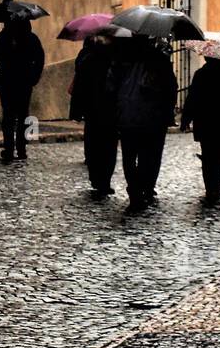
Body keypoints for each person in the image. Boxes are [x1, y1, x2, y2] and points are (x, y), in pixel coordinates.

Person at [108, 36, 177, 213]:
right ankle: (144, 187)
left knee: (129, 155)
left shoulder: (121, 57)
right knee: (149, 155)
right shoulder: (159, 58)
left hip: (126, 114)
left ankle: (134, 190)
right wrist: (168, 112)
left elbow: (111, 86)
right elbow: (171, 88)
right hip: (153, 116)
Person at [181, 30, 220, 206]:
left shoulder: (202, 74)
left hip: (206, 121)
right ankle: (215, 187)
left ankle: (210, 187)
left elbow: (192, 97)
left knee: (208, 155)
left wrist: (186, 119)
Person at [69, 30, 120, 198]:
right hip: (107, 109)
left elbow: (80, 84)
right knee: (108, 146)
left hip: (94, 109)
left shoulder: (88, 58)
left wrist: (78, 109)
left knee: (95, 144)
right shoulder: (114, 59)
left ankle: (98, 178)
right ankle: (104, 179)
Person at [0, 17, 45, 163]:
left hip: (8, 81)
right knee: (23, 116)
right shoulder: (32, 38)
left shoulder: (4, 36)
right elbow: (40, 59)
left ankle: (9, 149)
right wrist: (34, 77)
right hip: (24, 82)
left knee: (8, 116)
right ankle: (21, 149)